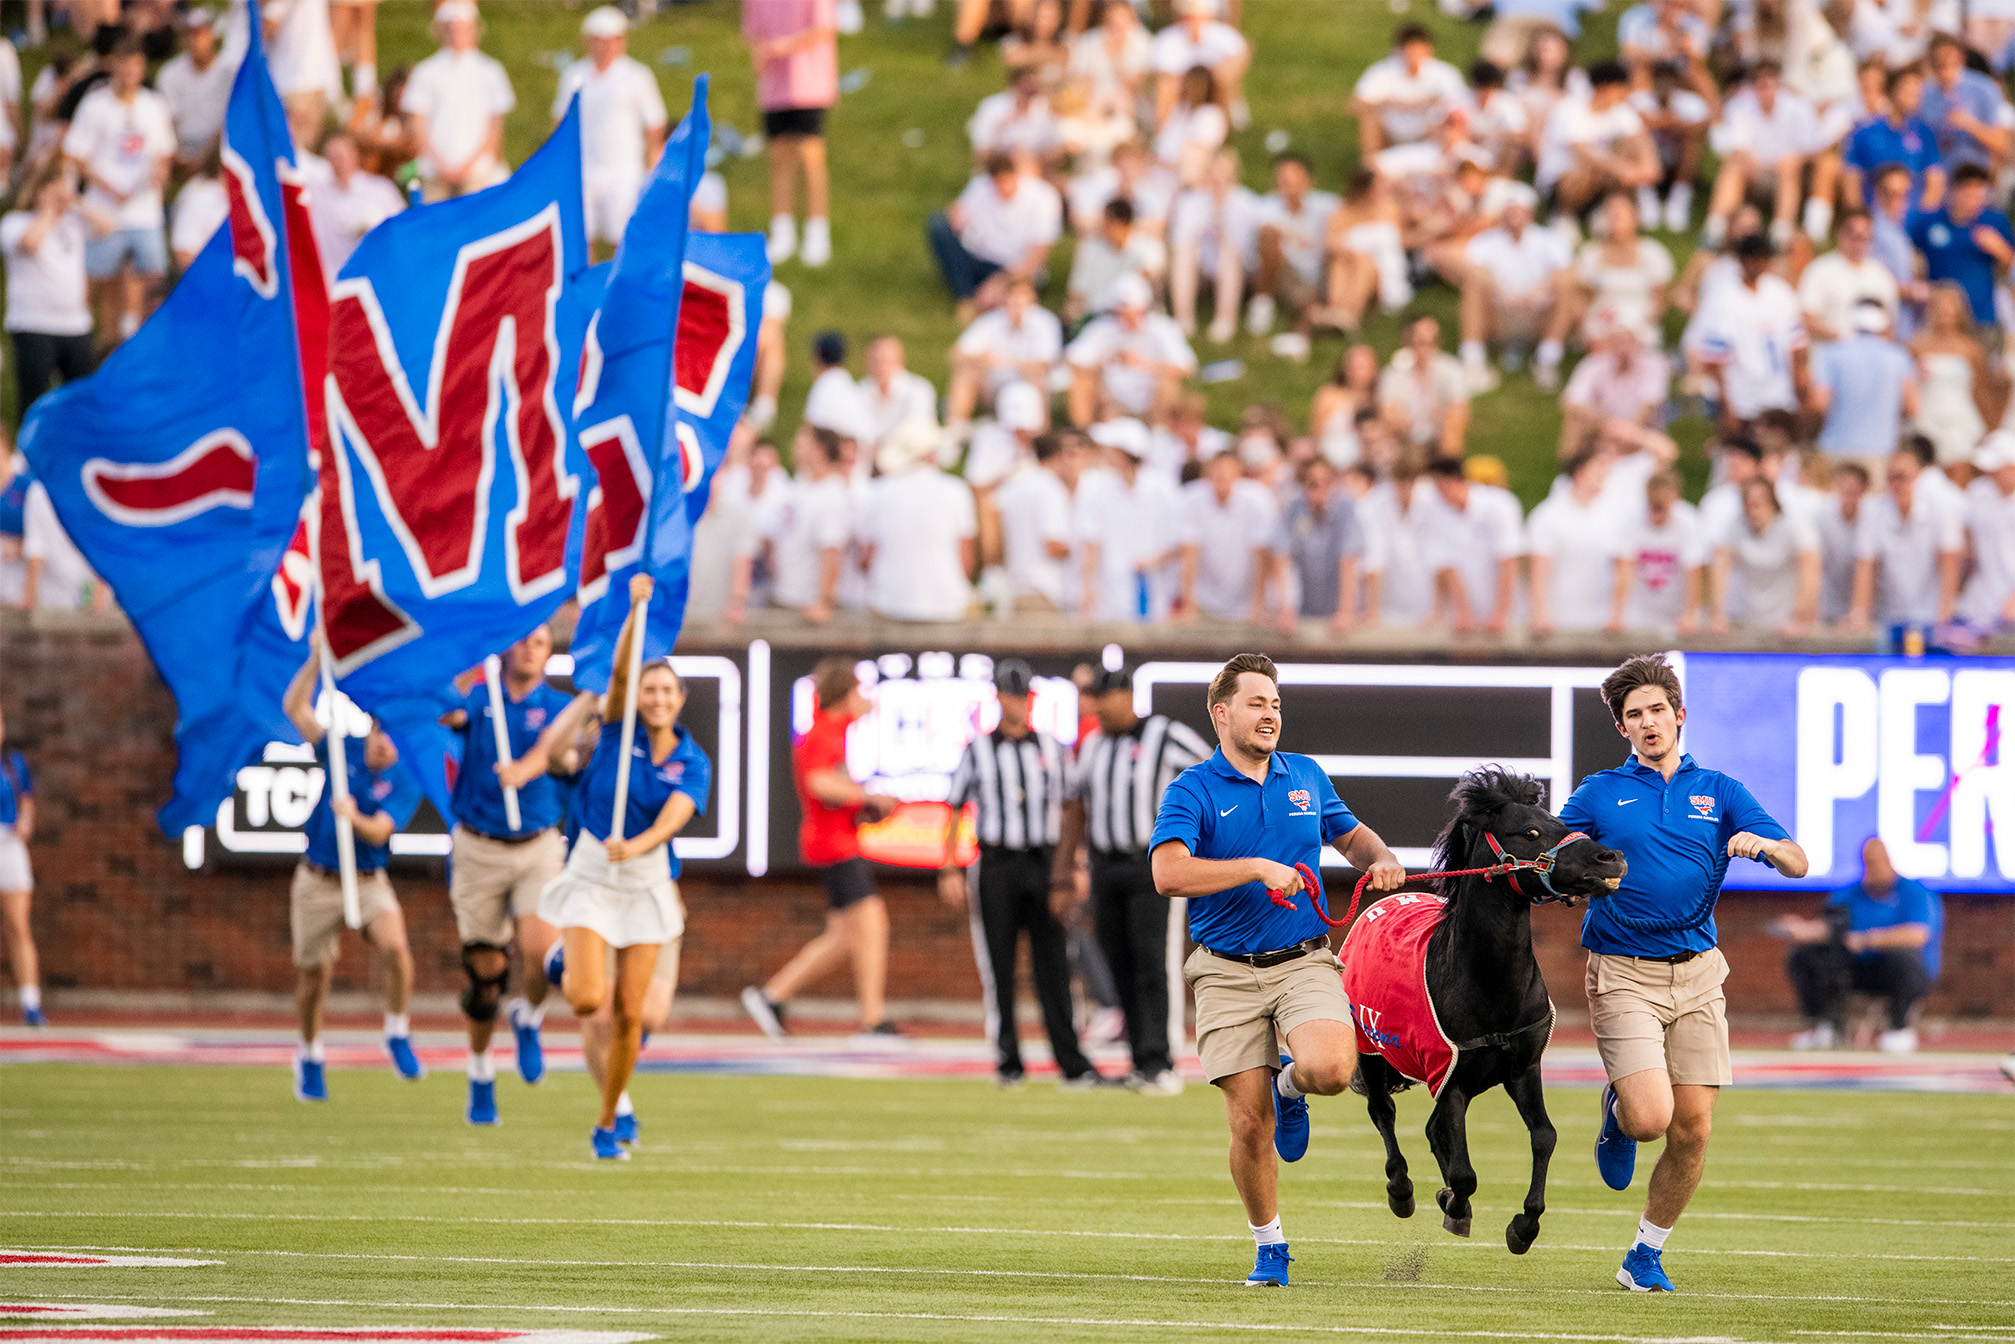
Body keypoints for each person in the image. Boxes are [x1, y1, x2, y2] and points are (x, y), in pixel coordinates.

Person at [1149, 652, 1404, 1286]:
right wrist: (1257, 867)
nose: (1271, 715)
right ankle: (1270, 1246)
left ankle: (1291, 1087)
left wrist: (1382, 857)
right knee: (1247, 1123)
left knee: (1330, 1069)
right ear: (1221, 713)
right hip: (1224, 971)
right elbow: (1168, 873)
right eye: (1257, 703)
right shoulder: (1192, 789)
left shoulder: (1306, 776)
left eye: (1276, 704)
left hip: (1304, 959)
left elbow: (1351, 838)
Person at [1560, 654, 1808, 1294]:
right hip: (1622, 972)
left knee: (1692, 1129)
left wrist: (1769, 848)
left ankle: (1644, 1256)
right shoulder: (1597, 791)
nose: (1648, 723)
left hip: (1699, 976)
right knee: (1650, 1120)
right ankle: (1619, 1113)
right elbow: (1550, 857)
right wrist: (1563, 865)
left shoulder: (1719, 790)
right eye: (1634, 715)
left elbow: (1799, 861)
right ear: (1622, 728)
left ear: (1679, 715)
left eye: (1656, 711)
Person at [533, 575, 710, 1160]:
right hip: (591, 874)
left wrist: (638, 847)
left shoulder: (691, 760)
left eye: (668, 692)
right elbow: (617, 672)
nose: (657, 699)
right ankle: (566, 959)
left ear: (681, 700)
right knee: (588, 1002)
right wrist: (636, 611)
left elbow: (674, 818)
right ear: (638, 695)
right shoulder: (615, 731)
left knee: (633, 1015)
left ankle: (608, 1121)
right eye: (649, 689)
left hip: (644, 880)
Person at [941, 658, 1106, 1089]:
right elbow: (955, 806)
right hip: (996, 862)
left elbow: (1072, 809)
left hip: (1044, 861)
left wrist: (1075, 863)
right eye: (1010, 695)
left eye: (1023, 695)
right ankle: (1008, 1058)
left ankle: (1069, 1060)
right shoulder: (977, 748)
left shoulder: (1051, 746)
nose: (1017, 704)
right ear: (997, 697)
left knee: (1053, 962)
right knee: (998, 962)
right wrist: (949, 867)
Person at [436, 627, 573, 1125]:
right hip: (478, 846)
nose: (529, 650)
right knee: (485, 973)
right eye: (522, 640)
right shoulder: (478, 698)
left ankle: (530, 1016)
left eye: (540, 642)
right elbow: (440, 710)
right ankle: (479, 1070)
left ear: (549, 653)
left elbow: (560, 748)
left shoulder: (557, 706)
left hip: (536, 844)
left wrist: (529, 767)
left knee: (541, 952)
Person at [1053, 665, 1210, 1094]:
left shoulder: (1165, 733)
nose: (1098, 706)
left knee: (1152, 960)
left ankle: (1162, 1060)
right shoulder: (1092, 745)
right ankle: (1140, 1059)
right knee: (1118, 959)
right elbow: (1076, 807)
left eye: (1104, 697)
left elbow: (1213, 777)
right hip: (1106, 864)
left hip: (1151, 863)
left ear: (1125, 696)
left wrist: (1192, 843)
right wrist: (1067, 870)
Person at [280, 640, 425, 1102]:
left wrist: (352, 818)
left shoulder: (403, 777)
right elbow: (295, 707)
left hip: (366, 879)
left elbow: (381, 832)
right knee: (314, 976)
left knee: (396, 948)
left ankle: (397, 1029)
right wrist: (317, 661)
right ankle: (309, 1052)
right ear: (372, 731)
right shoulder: (340, 750)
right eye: (384, 736)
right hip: (318, 877)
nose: (388, 747)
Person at [742, 657, 900, 1042]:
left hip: (836, 840)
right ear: (845, 693)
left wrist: (863, 806)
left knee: (844, 936)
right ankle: (873, 1020)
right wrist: (867, 796)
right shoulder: (823, 731)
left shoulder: (835, 728)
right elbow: (819, 783)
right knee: (873, 923)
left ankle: (772, 995)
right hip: (833, 845)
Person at [62, 29, 173, 348]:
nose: (130, 74)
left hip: (144, 210)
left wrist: (159, 176)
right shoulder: (95, 104)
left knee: (152, 281)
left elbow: (164, 152)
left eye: (136, 66)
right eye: (124, 66)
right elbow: (74, 153)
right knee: (101, 281)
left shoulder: (154, 105)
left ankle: (147, 347)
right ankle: (97, 345)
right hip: (104, 211)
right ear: (114, 66)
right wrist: (104, 184)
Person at [1782, 837, 1941, 1054]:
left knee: (1903, 958)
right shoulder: (1850, 893)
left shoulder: (1915, 893)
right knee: (1806, 956)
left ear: (1888, 860)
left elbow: (1917, 935)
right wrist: (1804, 930)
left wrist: (1868, 940)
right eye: (1868, 863)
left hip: (1895, 971)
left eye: (1876, 863)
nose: (1872, 870)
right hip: (1856, 969)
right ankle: (1827, 1027)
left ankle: (1900, 1029)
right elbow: (1831, 928)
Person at [554, 6, 668, 261]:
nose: (605, 47)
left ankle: (617, 294)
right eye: (599, 41)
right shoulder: (574, 75)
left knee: (623, 236)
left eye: (611, 41)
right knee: (581, 237)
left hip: (623, 170)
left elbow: (654, 125)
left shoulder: (637, 76)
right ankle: (584, 294)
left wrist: (653, 165)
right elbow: (559, 122)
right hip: (582, 168)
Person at [745, 0, 838, 267]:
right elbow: (755, 34)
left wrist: (781, 47)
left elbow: (822, 28)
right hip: (774, 87)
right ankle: (782, 231)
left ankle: (817, 232)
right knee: (778, 159)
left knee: (811, 158)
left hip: (809, 84)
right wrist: (761, 53)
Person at [859, 419, 977, 621]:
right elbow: (966, 560)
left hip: (889, 605)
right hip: (947, 606)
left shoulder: (878, 492)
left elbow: (867, 560)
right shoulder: (957, 490)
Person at [1689, 233, 1807, 433]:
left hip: (1780, 395)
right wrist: (1727, 406)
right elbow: (1713, 360)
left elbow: (1796, 346)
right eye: (1752, 259)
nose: (1757, 265)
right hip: (1742, 398)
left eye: (1762, 259)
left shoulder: (1780, 293)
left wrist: (1799, 389)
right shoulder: (1725, 298)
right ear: (1742, 260)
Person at [2, 164, 94, 413]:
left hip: (76, 325)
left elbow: (108, 226)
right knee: (33, 400)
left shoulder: (74, 222)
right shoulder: (14, 222)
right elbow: (30, 243)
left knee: (82, 401)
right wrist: (47, 210)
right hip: (34, 324)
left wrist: (77, 202)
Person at [1457, 183, 1568, 389]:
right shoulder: (1484, 242)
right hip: (1499, 315)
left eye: (1519, 210)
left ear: (1530, 212)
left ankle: (1547, 359)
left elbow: (1564, 274)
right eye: (1509, 211)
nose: (1514, 216)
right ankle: (1473, 362)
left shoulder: (1550, 240)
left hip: (1538, 314)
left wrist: (1537, 291)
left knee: (1566, 287)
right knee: (1472, 286)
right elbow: (1473, 272)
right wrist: (1504, 292)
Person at [928, 152, 1064, 319]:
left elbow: (1038, 253)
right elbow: (955, 216)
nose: (1001, 189)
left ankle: (982, 300)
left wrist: (1004, 280)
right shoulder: (981, 186)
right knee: (938, 226)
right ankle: (967, 297)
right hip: (979, 259)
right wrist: (957, 218)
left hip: (1015, 268)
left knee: (1003, 301)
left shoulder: (1042, 197)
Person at [402, 2, 515, 202]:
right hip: (435, 172)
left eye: (463, 28)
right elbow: (417, 123)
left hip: (479, 172)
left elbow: (495, 126)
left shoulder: (491, 71)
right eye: (452, 29)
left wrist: (470, 164)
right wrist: (439, 163)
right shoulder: (425, 72)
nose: (457, 35)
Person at [1845, 449, 1964, 635]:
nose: (1896, 484)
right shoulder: (1874, 511)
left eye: (1902, 477)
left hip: (1931, 617)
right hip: (1891, 618)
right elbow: (1865, 566)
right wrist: (1859, 613)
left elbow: (1950, 565)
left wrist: (1944, 618)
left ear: (1918, 477)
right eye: (1891, 478)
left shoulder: (1940, 508)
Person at [1063, 271, 1196, 426]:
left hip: (1151, 401)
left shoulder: (1163, 328)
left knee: (1169, 382)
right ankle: (1083, 434)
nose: (1131, 319)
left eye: (1136, 313)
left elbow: (1186, 367)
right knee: (1082, 380)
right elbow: (1073, 359)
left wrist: (1143, 364)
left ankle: (1160, 434)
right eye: (1125, 314)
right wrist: (1103, 362)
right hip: (1110, 402)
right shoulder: (1102, 328)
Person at [1527, 449, 1631, 636]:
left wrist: (1616, 615)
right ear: (1580, 473)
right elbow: (1539, 570)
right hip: (1559, 620)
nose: (1603, 475)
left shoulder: (1613, 515)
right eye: (1597, 470)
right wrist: (1541, 615)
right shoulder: (1548, 516)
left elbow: (1623, 567)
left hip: (1601, 621)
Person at [1906, 163, 2014, 330]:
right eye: (1969, 194)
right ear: (1954, 190)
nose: (1975, 201)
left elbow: (2011, 265)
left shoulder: (1994, 222)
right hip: (1940, 317)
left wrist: (1999, 248)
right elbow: (1904, 247)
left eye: (1980, 195)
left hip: (1981, 316)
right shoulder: (1929, 221)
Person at [1710, 478, 1821, 638]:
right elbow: (1720, 568)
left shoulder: (1793, 527)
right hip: (1744, 620)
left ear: (1771, 503)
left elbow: (1811, 568)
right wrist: (1718, 614)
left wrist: (1801, 616)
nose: (1753, 512)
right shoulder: (1735, 526)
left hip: (1784, 624)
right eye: (1748, 506)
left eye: (1758, 505)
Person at [1425, 456, 1523, 635]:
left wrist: (1500, 614)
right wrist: (1463, 613)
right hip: (1462, 618)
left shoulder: (1500, 505)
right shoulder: (1435, 511)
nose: (1439, 494)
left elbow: (1508, 560)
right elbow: (1447, 565)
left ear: (1455, 482)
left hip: (1506, 615)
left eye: (1442, 488)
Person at [1178, 448, 1276, 623]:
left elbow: (1262, 557)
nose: (1222, 479)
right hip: (1206, 601)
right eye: (1217, 474)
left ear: (1238, 474)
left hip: (1245, 603)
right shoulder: (1193, 501)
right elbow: (1189, 556)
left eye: (1227, 474)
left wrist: (1258, 605)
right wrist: (1189, 606)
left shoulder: (1257, 501)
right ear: (1208, 474)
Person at [1811, 299, 1916, 462]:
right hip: (1883, 451)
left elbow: (1819, 404)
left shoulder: (1831, 353)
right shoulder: (1899, 357)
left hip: (1836, 448)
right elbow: (1911, 407)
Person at [1272, 455, 1364, 633]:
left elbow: (1348, 560)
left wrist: (1345, 612)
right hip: (1305, 610)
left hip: (1336, 609)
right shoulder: (1295, 508)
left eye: (1326, 483)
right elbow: (1283, 559)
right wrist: (1286, 608)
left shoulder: (1345, 508)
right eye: (1313, 484)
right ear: (1304, 485)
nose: (1320, 489)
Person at [1351, 22, 1465, 161]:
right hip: (1390, 131)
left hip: (1429, 130)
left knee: (1451, 123)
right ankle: (1371, 168)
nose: (1414, 55)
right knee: (1369, 121)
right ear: (1399, 50)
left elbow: (1459, 105)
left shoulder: (1444, 73)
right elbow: (1357, 103)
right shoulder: (1382, 71)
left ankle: (1448, 165)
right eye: (1410, 49)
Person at [306, 129, 403, 277]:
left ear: (354, 156)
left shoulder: (380, 189)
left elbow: (400, 225)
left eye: (340, 156)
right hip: (332, 276)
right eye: (332, 157)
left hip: (373, 271)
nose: (337, 162)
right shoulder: (318, 192)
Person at [155, 7, 234, 174]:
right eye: (190, 34)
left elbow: (233, 120)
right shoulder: (170, 73)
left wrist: (206, 157)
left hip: (219, 151)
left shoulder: (229, 72)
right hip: (180, 153)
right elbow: (166, 120)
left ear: (212, 33)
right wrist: (174, 154)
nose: (195, 40)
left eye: (201, 33)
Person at [0, 706, 40, 1026]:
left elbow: (26, 799)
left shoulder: (13, 763)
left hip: (9, 845)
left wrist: (26, 820)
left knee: (18, 924)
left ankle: (30, 1003)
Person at [1958, 438, 2015, 632]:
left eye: (1997, 470)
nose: (1992, 475)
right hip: (1980, 602)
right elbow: (1968, 545)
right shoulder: (1978, 492)